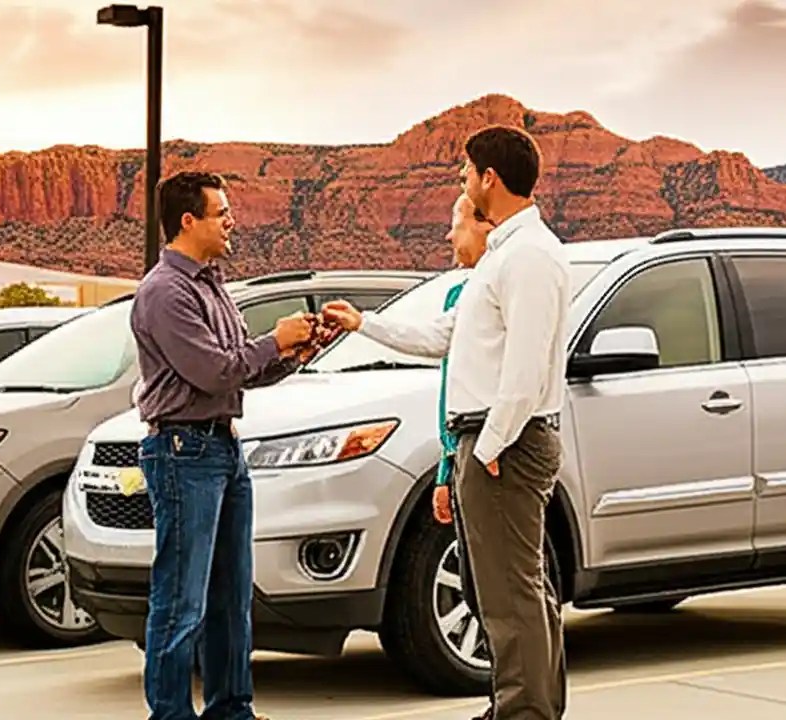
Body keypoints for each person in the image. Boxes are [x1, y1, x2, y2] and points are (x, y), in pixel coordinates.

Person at [323, 125, 570, 720]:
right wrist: (365, 325)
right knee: (513, 587)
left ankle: (525, 712)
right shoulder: (504, 255)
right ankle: (523, 704)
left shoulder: (531, 256)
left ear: (490, 177)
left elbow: (527, 368)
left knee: (511, 593)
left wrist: (489, 446)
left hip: (505, 442)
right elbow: (444, 337)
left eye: (465, 172)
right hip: (491, 439)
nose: (462, 182)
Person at [129, 170, 322, 720]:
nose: (232, 221)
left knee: (232, 597)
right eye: (221, 212)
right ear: (188, 221)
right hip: (183, 454)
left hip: (222, 451)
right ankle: (169, 713)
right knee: (181, 600)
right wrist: (275, 339)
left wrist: (294, 353)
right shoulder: (165, 292)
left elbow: (242, 370)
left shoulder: (211, 283)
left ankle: (232, 709)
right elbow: (214, 372)